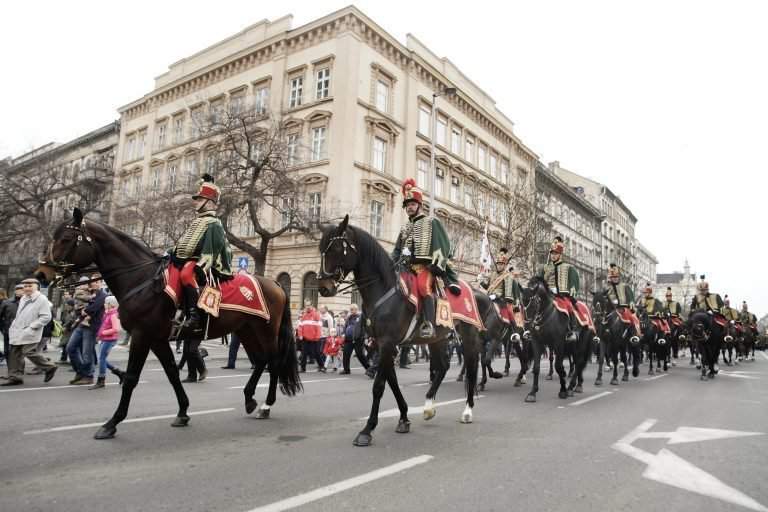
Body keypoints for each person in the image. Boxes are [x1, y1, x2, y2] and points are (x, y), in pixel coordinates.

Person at [391, 178, 460, 339]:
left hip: (424, 268)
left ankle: (429, 324)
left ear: (419, 205)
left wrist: (436, 264)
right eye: (407, 205)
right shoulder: (405, 227)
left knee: (423, 287)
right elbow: (396, 250)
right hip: (405, 268)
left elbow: (443, 245)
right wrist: (390, 262)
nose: (409, 208)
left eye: (413, 204)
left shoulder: (431, 222)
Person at [169, 174, 233, 335]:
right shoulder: (197, 221)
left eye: (199, 199)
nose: (195, 202)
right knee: (172, 271)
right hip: (190, 258)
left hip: (208, 262)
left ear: (209, 202)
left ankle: (195, 315)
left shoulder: (214, 223)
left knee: (186, 274)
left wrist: (201, 265)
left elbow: (213, 248)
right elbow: (184, 243)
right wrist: (170, 254)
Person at [1, 278, 57, 386]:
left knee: (29, 351)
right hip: (18, 330)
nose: (27, 288)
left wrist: (32, 327)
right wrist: (14, 325)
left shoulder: (42, 299)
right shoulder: (24, 298)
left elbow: (46, 317)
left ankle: (49, 367)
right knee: (14, 353)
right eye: (25, 286)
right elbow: (20, 315)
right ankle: (15, 377)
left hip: (30, 331)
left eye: (30, 286)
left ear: (37, 287)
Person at [67, 275, 107, 385]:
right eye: (92, 281)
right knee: (70, 348)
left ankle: (88, 376)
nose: (94, 283)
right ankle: (81, 372)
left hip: (91, 326)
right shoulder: (87, 293)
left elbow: (95, 307)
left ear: (101, 283)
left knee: (87, 353)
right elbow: (77, 306)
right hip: (81, 324)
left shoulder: (103, 295)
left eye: (97, 281)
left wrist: (86, 310)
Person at [539, 237, 580, 342]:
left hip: (561, 296)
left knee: (569, 306)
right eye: (552, 253)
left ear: (560, 254)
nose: (553, 255)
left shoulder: (568, 267)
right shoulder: (545, 268)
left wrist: (568, 292)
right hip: (548, 296)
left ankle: (572, 330)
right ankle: (532, 329)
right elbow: (539, 281)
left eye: (556, 253)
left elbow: (574, 284)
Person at [90, 296, 126, 389]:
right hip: (105, 339)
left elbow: (116, 329)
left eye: (106, 303)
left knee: (101, 359)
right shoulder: (108, 313)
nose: (104, 304)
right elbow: (104, 326)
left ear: (111, 304)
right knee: (102, 359)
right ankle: (120, 373)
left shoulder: (114, 315)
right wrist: (100, 336)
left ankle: (101, 380)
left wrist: (103, 333)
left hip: (110, 340)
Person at [605, 263, 641, 343]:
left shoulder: (625, 286)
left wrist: (631, 303)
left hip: (624, 308)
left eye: (616, 277)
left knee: (632, 319)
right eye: (612, 277)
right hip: (612, 310)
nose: (614, 279)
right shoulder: (608, 288)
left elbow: (631, 296)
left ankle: (634, 336)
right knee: (602, 320)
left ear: (618, 277)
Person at [298, 300, 324, 372]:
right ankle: (303, 368)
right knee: (304, 354)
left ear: (312, 305)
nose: (307, 307)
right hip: (305, 338)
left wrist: (317, 337)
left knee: (316, 353)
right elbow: (300, 326)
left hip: (315, 338)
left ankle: (321, 366)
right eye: (306, 305)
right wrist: (300, 335)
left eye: (309, 305)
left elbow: (319, 327)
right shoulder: (303, 315)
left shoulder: (316, 314)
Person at [0, 285, 23, 365]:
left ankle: (17, 371)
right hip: (8, 331)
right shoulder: (7, 302)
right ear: (15, 291)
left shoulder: (28, 303)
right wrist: (3, 328)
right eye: (17, 289)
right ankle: (11, 370)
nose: (19, 291)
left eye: (21, 290)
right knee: (7, 351)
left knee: (19, 352)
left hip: (22, 331)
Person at [342, 304, 363, 374]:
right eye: (350, 309)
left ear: (356, 309)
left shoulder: (361, 317)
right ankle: (346, 370)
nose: (351, 311)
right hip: (348, 339)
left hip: (357, 339)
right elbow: (345, 326)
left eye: (352, 309)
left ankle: (369, 368)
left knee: (360, 354)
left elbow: (364, 327)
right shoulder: (349, 317)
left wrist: (364, 336)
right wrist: (343, 333)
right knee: (346, 354)